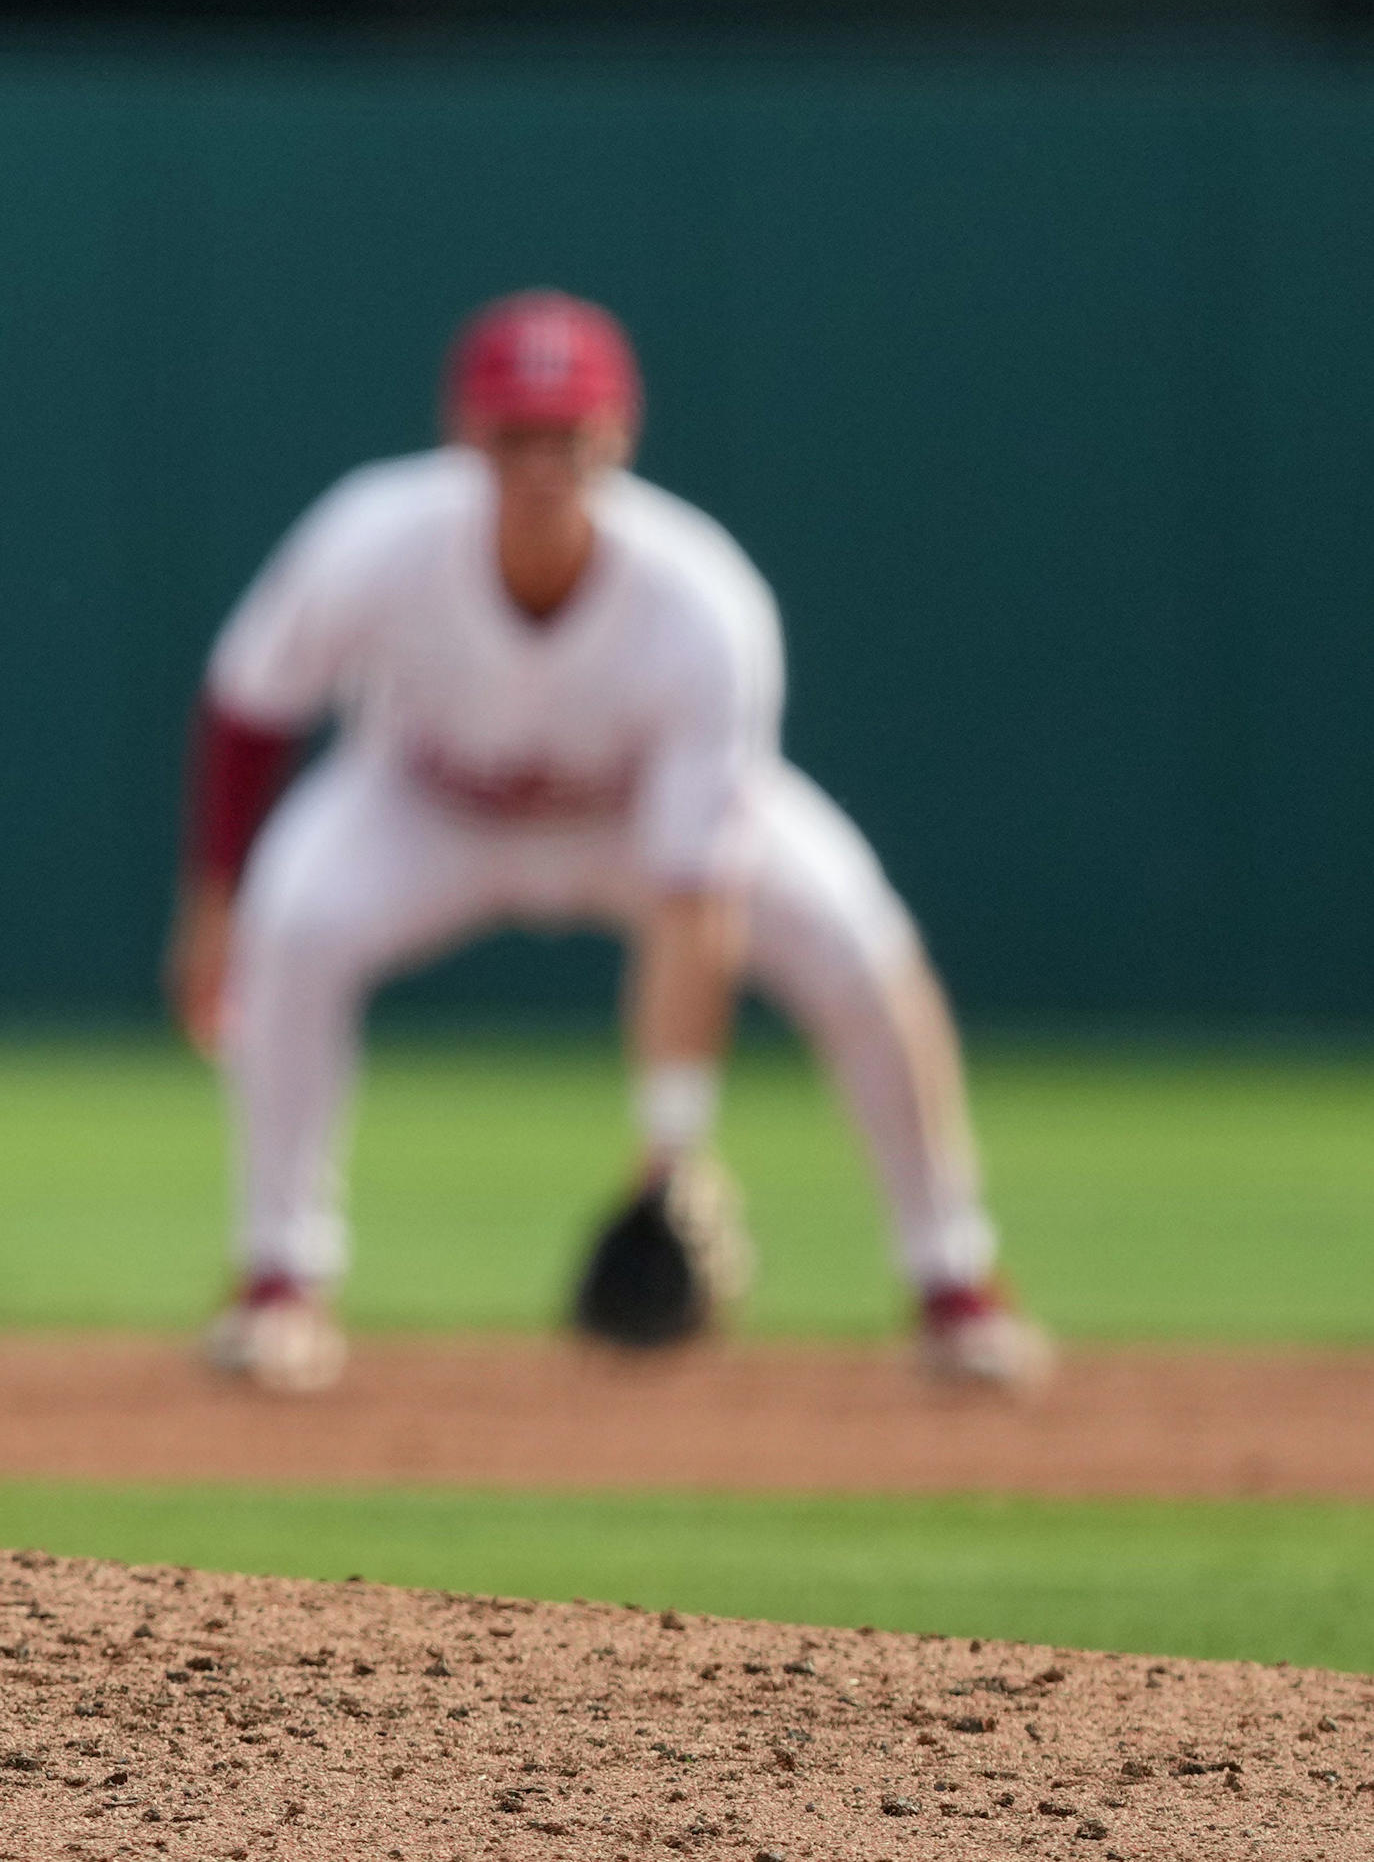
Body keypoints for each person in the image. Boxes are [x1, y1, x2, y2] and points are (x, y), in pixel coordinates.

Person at [164, 291, 1047, 1397]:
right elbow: (251, 706)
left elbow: (695, 902)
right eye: (514, 433)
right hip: (425, 810)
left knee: (861, 949)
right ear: (463, 433)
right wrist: (213, 908)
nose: (541, 463)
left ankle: (952, 1281)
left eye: (567, 436)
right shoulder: (373, 533)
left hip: (635, 824)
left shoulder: (702, 599)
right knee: (292, 919)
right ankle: (280, 1281)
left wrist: (670, 1149)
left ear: (618, 437)